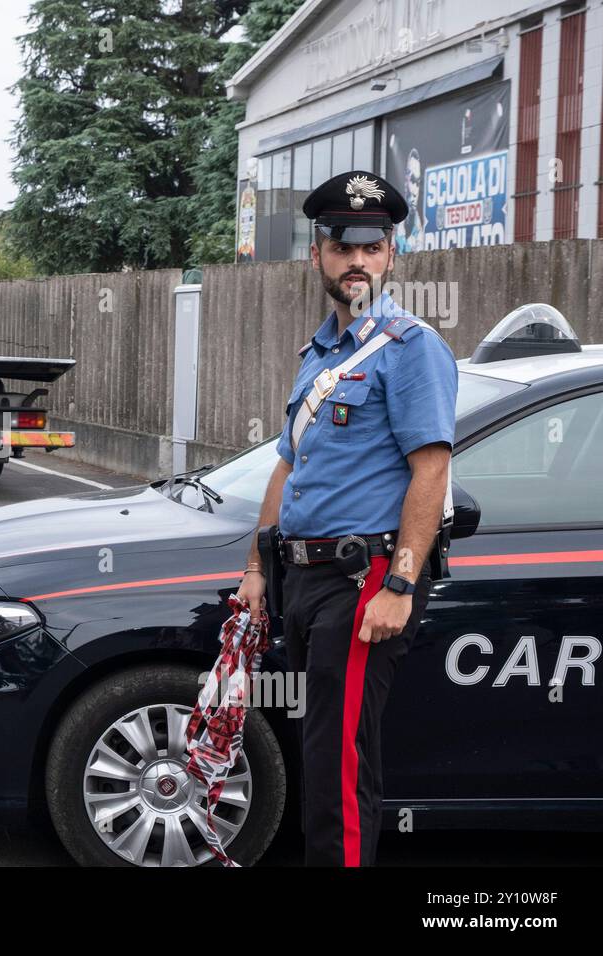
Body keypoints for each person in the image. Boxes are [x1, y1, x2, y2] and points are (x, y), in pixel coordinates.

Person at [237, 170, 458, 867]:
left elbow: (431, 468)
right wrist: (255, 567)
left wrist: (400, 583)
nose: (356, 260)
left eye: (371, 246)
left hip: (365, 581)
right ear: (318, 256)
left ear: (391, 255)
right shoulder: (320, 356)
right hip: (305, 581)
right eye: (341, 246)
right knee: (324, 752)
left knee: (337, 764)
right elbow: (286, 466)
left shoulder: (409, 348)